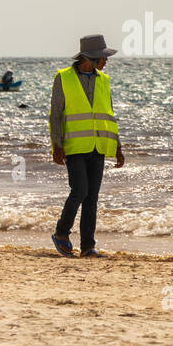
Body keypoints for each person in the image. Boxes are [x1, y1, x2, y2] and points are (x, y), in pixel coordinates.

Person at [48, 34, 125, 257]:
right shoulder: (63, 78)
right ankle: (61, 233)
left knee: (92, 198)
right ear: (90, 58)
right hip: (74, 147)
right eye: (103, 56)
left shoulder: (104, 80)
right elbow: (55, 115)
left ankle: (87, 247)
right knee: (80, 190)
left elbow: (109, 115)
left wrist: (118, 147)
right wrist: (56, 145)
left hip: (98, 146)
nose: (106, 60)